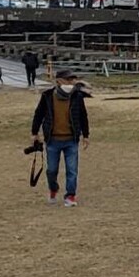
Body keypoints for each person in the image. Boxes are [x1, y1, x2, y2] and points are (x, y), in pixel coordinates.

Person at [31, 69, 90, 207]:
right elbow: (39, 114)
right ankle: (53, 189)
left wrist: (86, 135)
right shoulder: (47, 96)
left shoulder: (77, 96)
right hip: (53, 140)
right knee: (51, 170)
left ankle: (70, 195)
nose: (72, 82)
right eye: (68, 79)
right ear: (59, 81)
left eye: (73, 80)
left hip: (71, 139)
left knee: (72, 169)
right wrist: (34, 133)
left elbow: (83, 116)